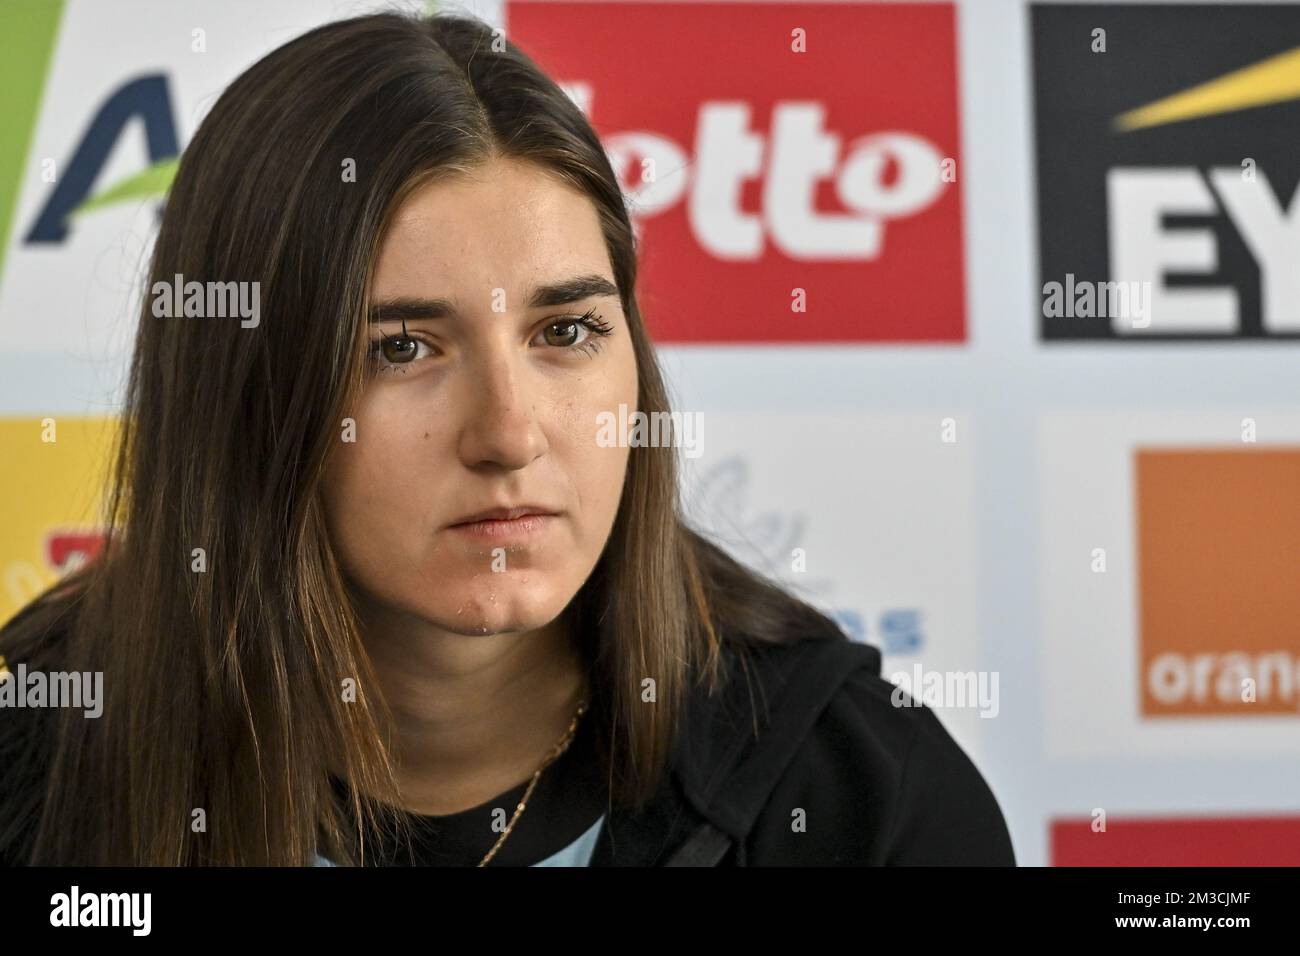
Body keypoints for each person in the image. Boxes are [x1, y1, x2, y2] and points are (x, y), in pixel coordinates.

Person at [0, 10, 1014, 867]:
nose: (508, 433)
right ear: (244, 393)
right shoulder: (37, 763)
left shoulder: (858, 799)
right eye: (401, 347)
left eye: (565, 331)